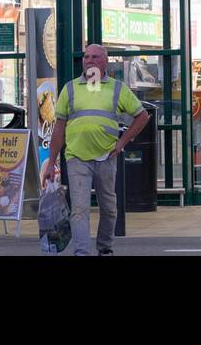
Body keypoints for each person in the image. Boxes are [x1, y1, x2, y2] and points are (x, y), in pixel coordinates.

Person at [43, 44, 149, 256]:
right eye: (86, 57)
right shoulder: (70, 89)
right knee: (80, 209)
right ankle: (82, 252)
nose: (89, 60)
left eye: (95, 57)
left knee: (109, 209)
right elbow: (59, 129)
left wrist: (122, 143)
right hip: (76, 158)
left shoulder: (117, 89)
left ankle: (105, 247)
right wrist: (52, 161)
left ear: (105, 61)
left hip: (106, 157)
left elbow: (142, 116)